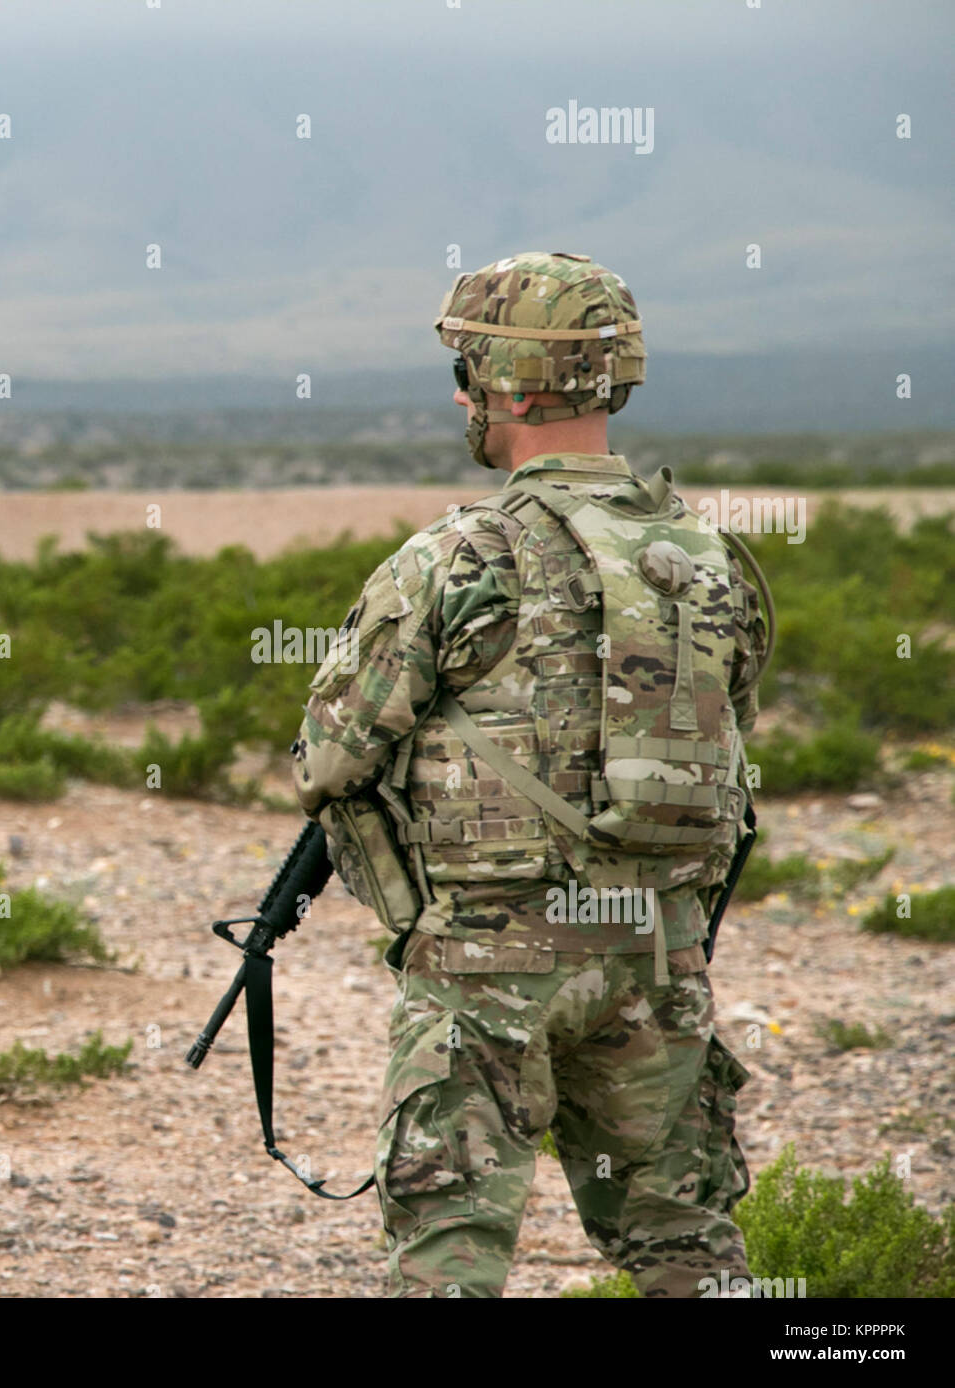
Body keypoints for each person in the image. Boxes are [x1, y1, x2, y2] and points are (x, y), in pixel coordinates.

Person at [291, 251, 770, 1298]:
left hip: (487, 966)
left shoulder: (453, 556)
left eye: (466, 369)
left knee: (449, 1250)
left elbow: (328, 754)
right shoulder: (709, 559)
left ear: (500, 384)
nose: (459, 393)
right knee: (685, 1238)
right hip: (656, 953)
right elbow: (733, 762)